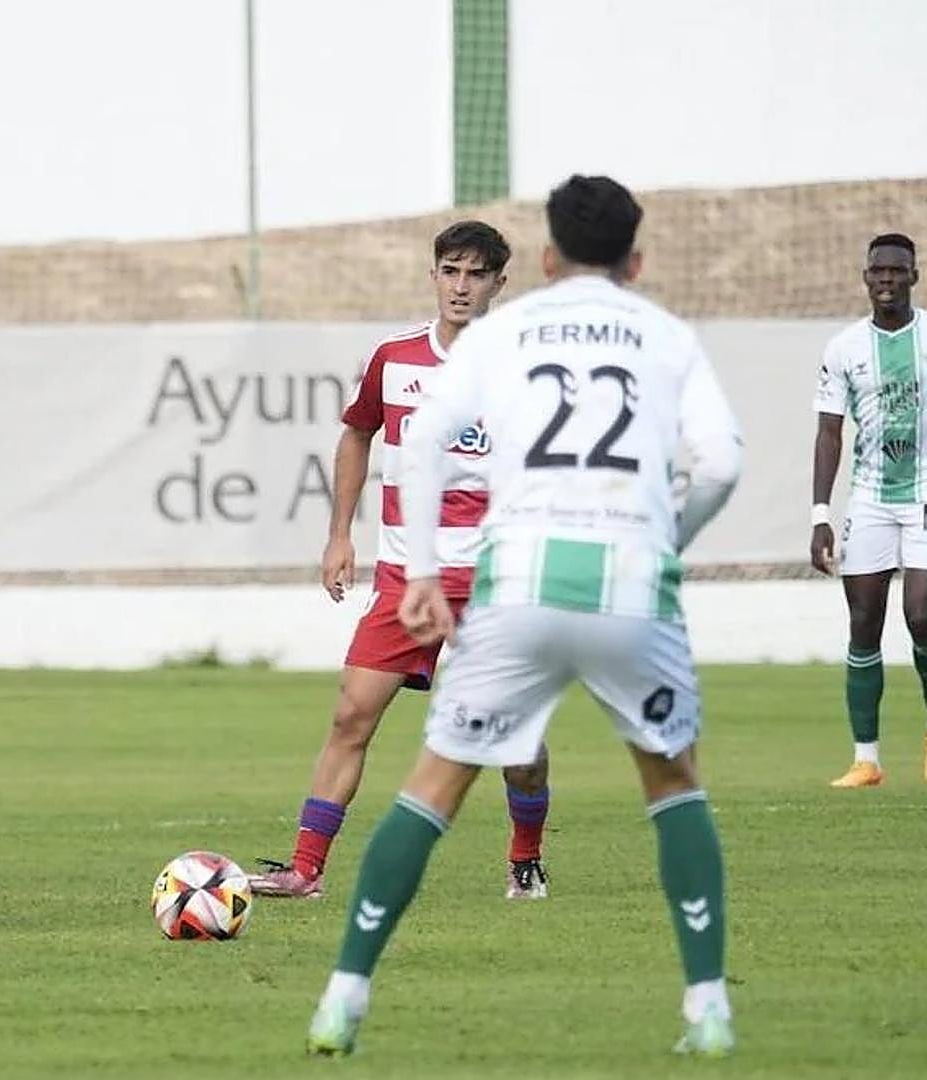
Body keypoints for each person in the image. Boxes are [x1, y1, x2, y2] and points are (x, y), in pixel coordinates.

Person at [303, 175, 745, 1058]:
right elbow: (723, 464)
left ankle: (344, 997)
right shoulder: (666, 335)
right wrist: (670, 542)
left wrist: (420, 564)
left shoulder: (505, 334)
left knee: (435, 781)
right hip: (627, 580)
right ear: (638, 259)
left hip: (518, 578)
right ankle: (707, 1005)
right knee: (674, 783)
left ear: (541, 261)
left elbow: (419, 444)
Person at [252, 221, 555, 902]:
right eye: (450, 270)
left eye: (477, 274)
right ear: (433, 276)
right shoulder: (395, 358)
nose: (461, 285)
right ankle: (305, 870)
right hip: (404, 576)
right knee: (351, 716)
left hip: (494, 581)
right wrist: (339, 536)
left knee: (516, 743)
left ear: (500, 284)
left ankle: (525, 858)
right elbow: (356, 433)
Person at [810, 233, 927, 787]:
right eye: (877, 271)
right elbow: (829, 432)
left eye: (896, 271)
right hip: (871, 500)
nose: (886, 280)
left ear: (913, 276)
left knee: (923, 617)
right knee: (863, 623)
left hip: (925, 497)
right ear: (865, 278)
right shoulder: (844, 347)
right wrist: (819, 514)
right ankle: (866, 759)